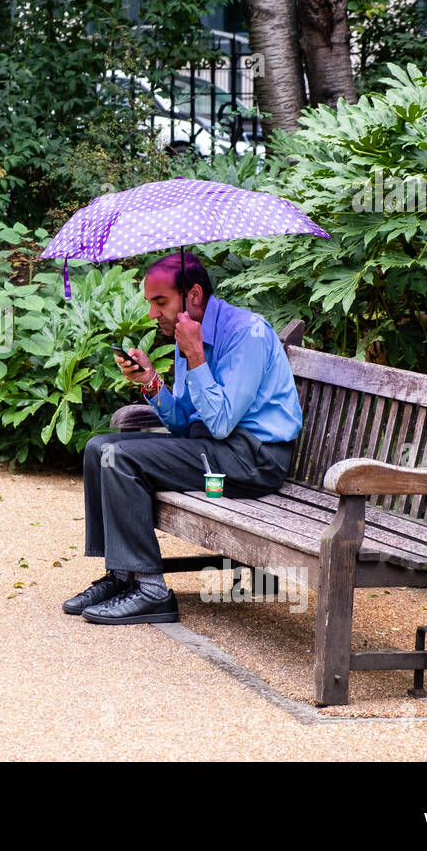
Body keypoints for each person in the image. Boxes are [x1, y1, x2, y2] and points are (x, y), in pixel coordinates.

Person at [63, 251, 303, 624]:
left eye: (161, 302)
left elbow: (222, 423)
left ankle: (151, 590)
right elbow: (183, 423)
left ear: (193, 295)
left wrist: (195, 356)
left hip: (252, 459)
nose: (152, 314)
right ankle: (122, 576)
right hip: (211, 449)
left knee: (121, 457)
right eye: (151, 303)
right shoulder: (185, 334)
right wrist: (151, 382)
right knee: (99, 449)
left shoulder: (248, 334)